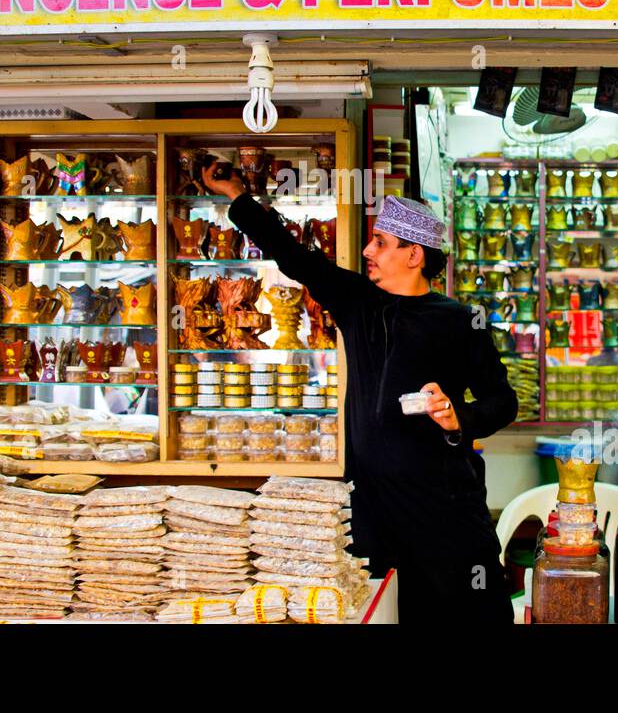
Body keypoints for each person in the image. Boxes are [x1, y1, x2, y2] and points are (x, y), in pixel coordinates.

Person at [205, 166, 517, 623]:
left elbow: (502, 401)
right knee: (380, 612)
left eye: (382, 243)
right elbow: (292, 255)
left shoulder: (459, 320)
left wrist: (457, 418)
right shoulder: (356, 302)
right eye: (372, 241)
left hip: (443, 510)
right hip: (370, 508)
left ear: (414, 255)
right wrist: (237, 195)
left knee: (468, 613)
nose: (368, 251)